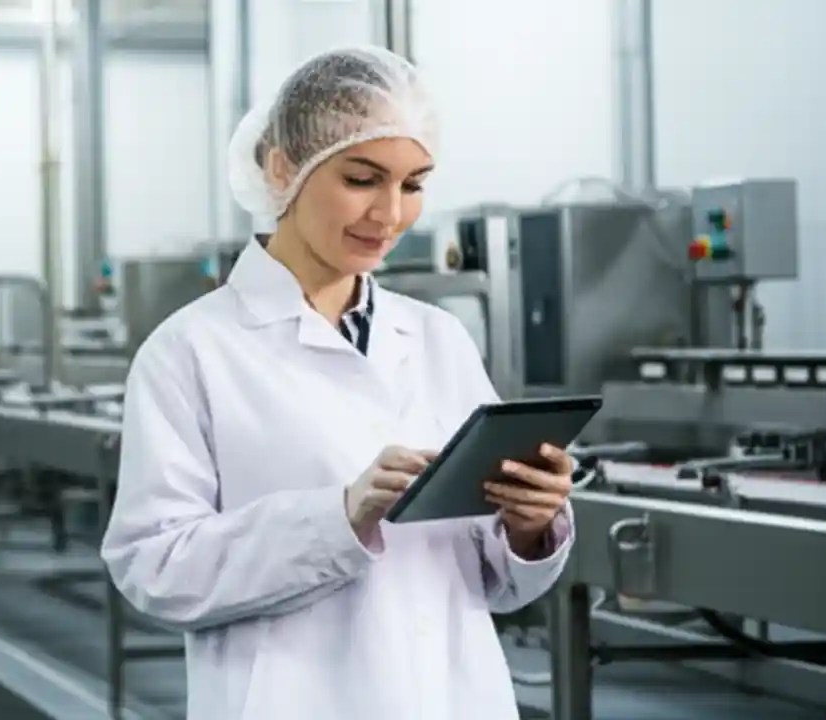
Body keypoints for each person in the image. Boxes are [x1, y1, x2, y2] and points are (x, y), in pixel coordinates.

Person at [100, 45, 574, 719]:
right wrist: (338, 517)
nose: (389, 215)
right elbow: (155, 570)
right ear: (281, 168)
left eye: (412, 185)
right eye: (362, 178)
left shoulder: (437, 338)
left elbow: (492, 580)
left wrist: (529, 527)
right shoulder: (191, 351)